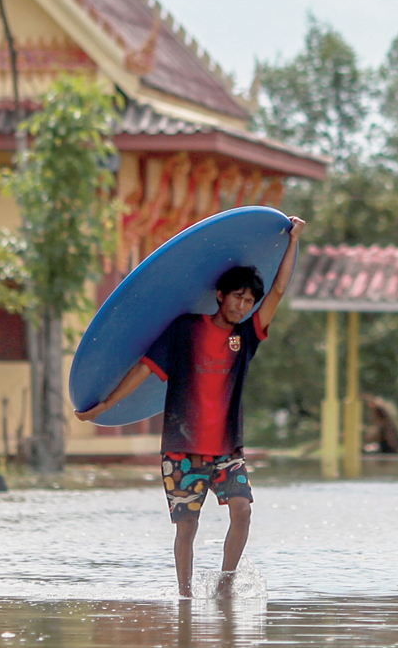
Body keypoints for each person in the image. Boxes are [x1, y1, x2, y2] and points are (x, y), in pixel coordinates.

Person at [76, 215, 305, 597]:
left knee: (243, 511)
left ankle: (225, 586)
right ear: (221, 295)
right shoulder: (185, 329)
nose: (243, 306)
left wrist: (293, 240)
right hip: (182, 448)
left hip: (226, 449)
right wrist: (106, 406)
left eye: (249, 301)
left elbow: (278, 291)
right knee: (187, 528)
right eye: (238, 297)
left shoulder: (245, 336)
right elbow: (145, 368)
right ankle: (185, 596)